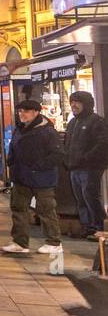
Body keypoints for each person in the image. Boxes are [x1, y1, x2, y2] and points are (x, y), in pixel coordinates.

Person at [0, 100, 63, 255]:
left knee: (46, 210)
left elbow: (58, 154)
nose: (22, 114)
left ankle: (54, 242)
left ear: (36, 112)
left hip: (42, 178)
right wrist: (11, 162)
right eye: (20, 111)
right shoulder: (19, 129)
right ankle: (20, 242)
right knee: (18, 208)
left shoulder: (47, 131)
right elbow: (13, 149)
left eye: (26, 111)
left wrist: (39, 166)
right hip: (21, 177)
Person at [64, 90, 108, 238]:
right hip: (74, 167)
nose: (73, 105)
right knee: (80, 198)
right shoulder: (73, 122)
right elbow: (67, 143)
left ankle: (97, 227)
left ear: (86, 104)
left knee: (90, 196)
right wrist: (67, 159)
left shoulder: (96, 121)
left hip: (90, 167)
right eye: (72, 101)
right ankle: (87, 226)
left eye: (77, 102)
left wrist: (86, 158)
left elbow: (102, 144)